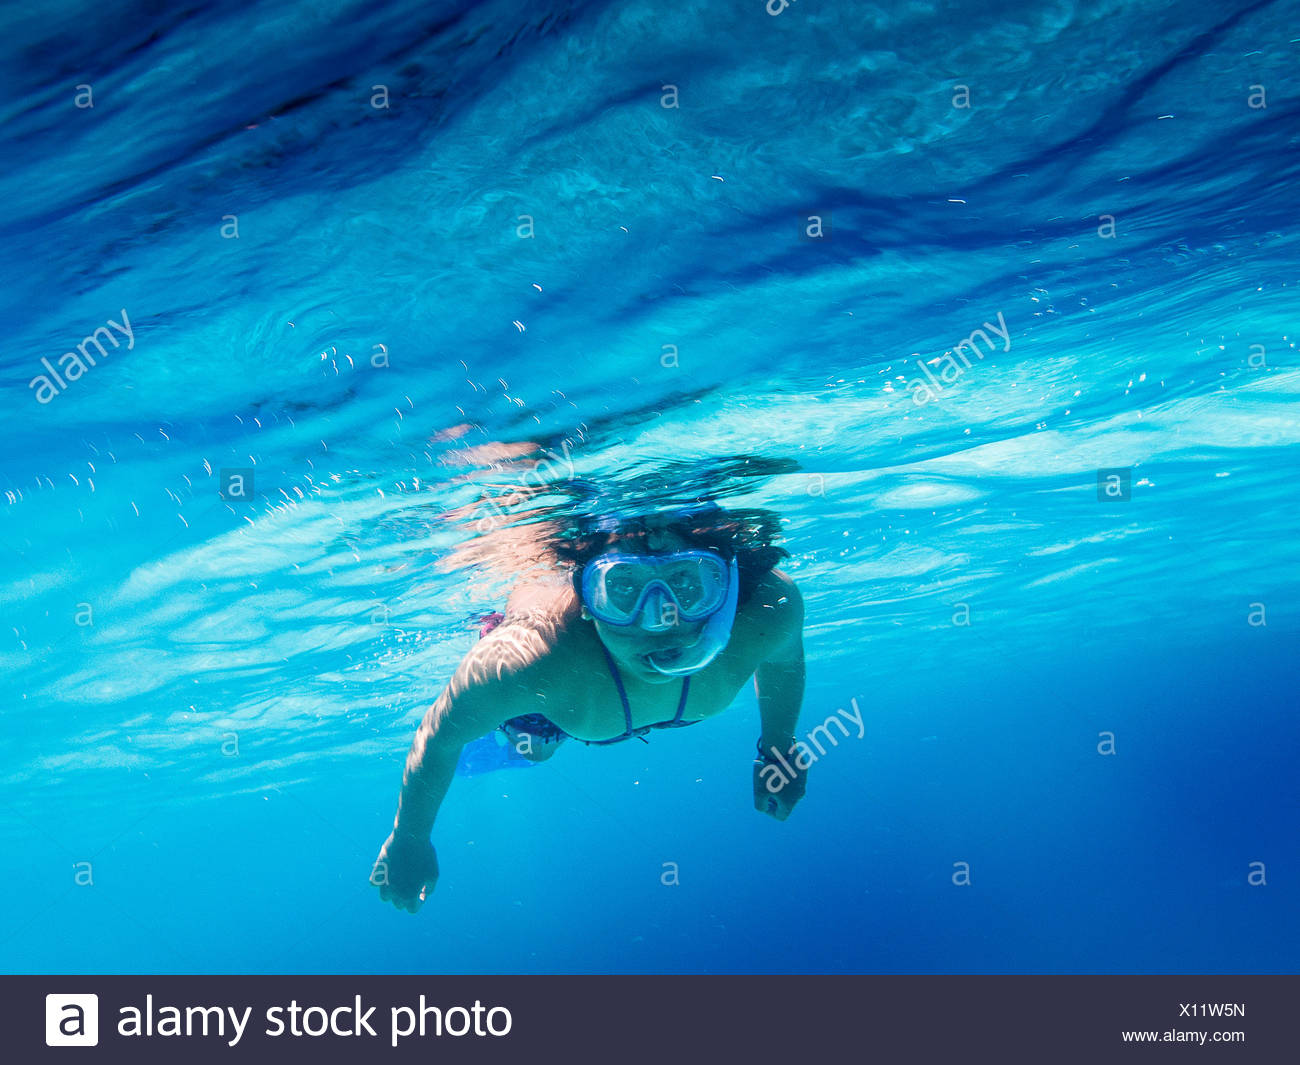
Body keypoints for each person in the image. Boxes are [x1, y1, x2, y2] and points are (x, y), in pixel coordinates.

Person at [371, 505, 806, 913]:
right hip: (555, 704)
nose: (657, 621)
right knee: (534, 748)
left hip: (589, 703)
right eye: (621, 589)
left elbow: (783, 662)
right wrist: (409, 837)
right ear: (585, 601)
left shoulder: (767, 613)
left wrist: (778, 752)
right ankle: (505, 748)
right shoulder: (533, 662)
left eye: (688, 583)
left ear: (727, 585)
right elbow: (439, 734)